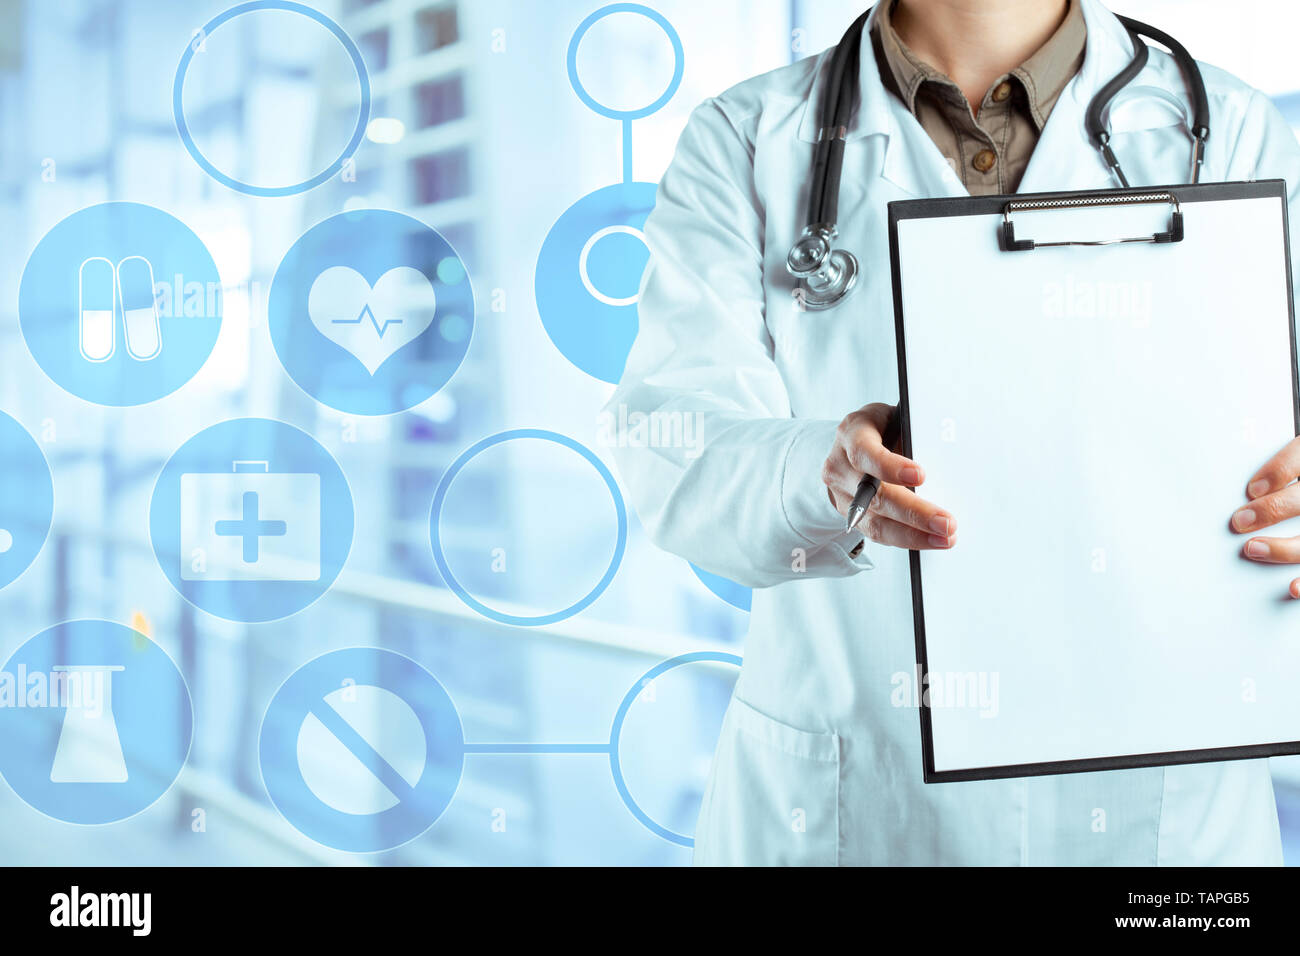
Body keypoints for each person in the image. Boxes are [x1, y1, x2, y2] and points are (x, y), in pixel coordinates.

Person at [606, 0, 1300, 865]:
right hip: (854, 803)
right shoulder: (746, 138)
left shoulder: (1232, 131)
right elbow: (677, 451)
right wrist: (819, 473)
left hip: (1159, 839)